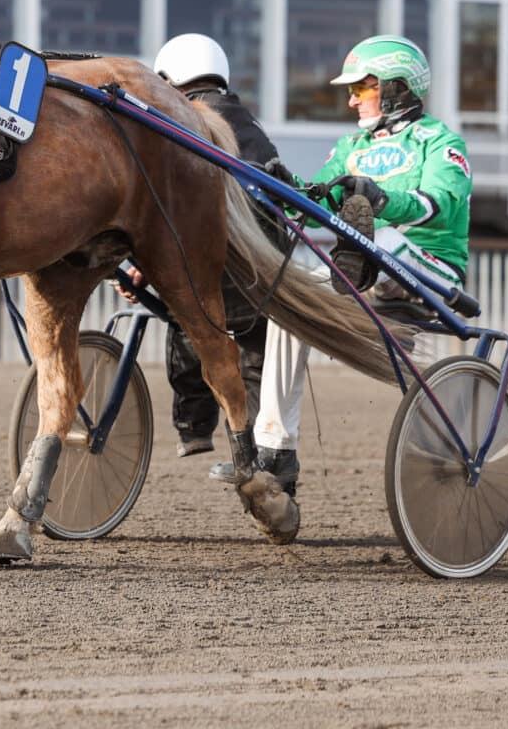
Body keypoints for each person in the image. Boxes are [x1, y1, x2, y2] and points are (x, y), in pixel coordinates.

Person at [212, 35, 473, 539]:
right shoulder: (351, 149)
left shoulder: (441, 143)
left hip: (432, 271)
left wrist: (380, 200)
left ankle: (361, 258)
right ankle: (277, 453)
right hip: (366, 275)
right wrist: (271, 187)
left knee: (388, 238)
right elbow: (309, 199)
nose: (352, 99)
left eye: (362, 88)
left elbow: (436, 203)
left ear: (396, 88)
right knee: (294, 300)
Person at [125, 33, 294, 458]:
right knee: (255, 360)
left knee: (187, 320)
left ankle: (194, 425)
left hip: (216, 269)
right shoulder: (248, 123)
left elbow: (178, 206)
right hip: (266, 272)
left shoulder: (183, 120)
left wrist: (143, 263)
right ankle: (259, 452)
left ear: (168, 78)